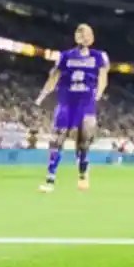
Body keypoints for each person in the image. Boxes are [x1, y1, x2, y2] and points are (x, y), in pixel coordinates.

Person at [35, 23, 108, 192]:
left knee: (83, 141)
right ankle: (50, 180)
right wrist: (43, 95)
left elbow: (103, 78)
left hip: (86, 103)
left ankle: (83, 173)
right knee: (57, 139)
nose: (84, 36)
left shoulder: (99, 56)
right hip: (66, 102)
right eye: (81, 33)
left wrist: (98, 94)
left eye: (88, 33)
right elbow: (54, 77)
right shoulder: (65, 56)